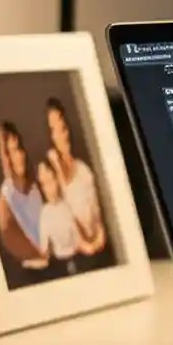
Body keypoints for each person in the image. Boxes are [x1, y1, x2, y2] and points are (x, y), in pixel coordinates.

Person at [45, 97, 106, 254]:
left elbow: (96, 213)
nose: (61, 135)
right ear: (50, 135)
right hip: (73, 253)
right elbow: (62, 214)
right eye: (54, 130)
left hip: (97, 246)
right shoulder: (50, 173)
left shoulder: (84, 170)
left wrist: (99, 238)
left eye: (63, 127)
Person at [0, 122, 46, 269]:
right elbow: (12, 243)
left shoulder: (36, 190)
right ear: (6, 158)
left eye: (20, 148)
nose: (21, 155)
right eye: (14, 151)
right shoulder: (5, 203)